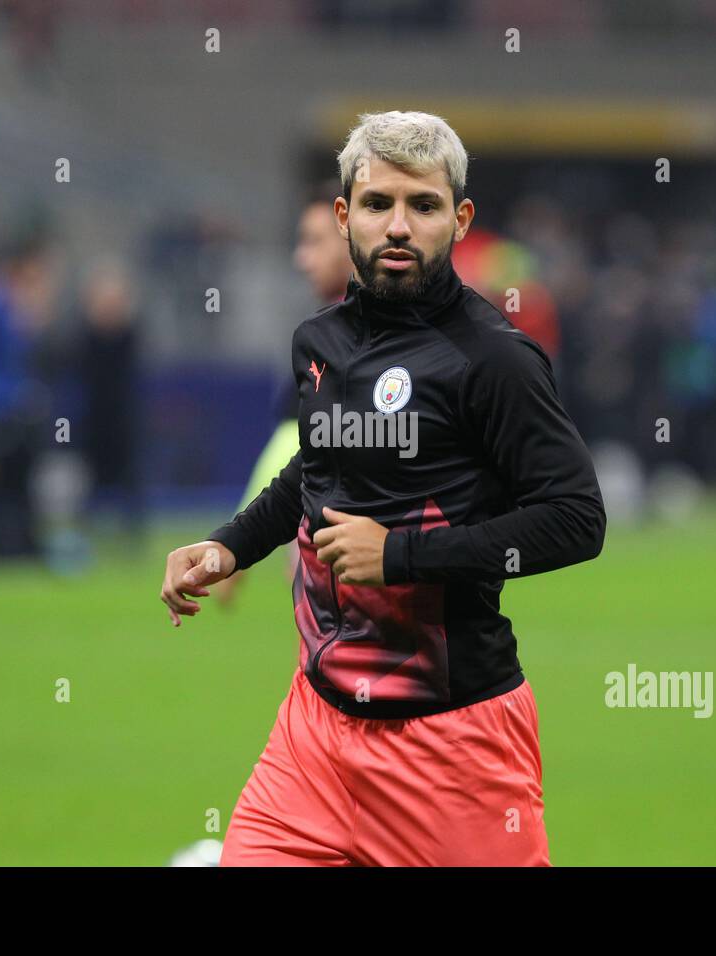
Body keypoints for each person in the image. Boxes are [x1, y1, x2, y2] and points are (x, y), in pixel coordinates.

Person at [159, 111, 606, 866]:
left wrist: (399, 555)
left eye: (423, 206)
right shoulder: (320, 343)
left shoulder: (496, 361)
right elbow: (317, 466)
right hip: (315, 737)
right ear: (345, 216)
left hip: (454, 747)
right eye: (378, 204)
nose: (399, 226)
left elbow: (575, 521)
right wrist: (229, 546)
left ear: (459, 219)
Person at [212, 181, 354, 605]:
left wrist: (238, 544)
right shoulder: (327, 333)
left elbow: (297, 441)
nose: (301, 257)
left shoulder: (344, 342)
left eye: (314, 241)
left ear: (353, 234)